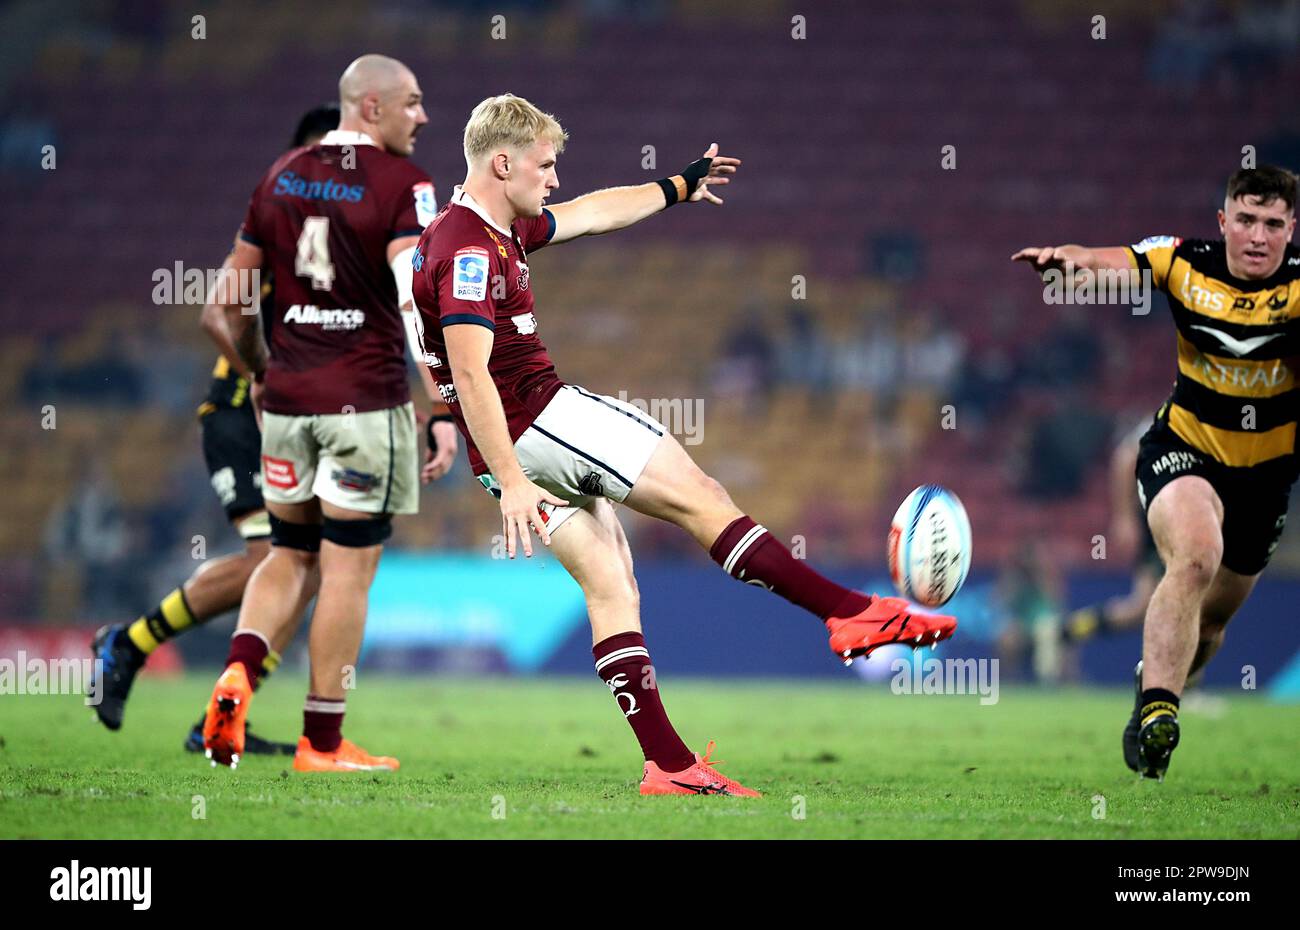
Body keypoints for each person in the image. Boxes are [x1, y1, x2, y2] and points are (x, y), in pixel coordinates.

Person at [411, 94, 957, 797]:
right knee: (705, 498)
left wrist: (675, 187)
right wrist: (517, 480)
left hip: (507, 450)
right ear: (503, 161)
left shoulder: (488, 227)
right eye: (545, 166)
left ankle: (667, 765)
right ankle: (849, 613)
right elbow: (468, 371)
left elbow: (594, 212)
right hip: (542, 420)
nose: (553, 180)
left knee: (611, 586)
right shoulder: (465, 249)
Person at [200, 54, 457, 772]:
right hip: (364, 409)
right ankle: (321, 742)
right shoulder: (407, 186)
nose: (424, 116)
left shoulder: (279, 175)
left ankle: (237, 677)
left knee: (288, 554)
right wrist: (441, 403)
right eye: (412, 102)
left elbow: (221, 308)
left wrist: (258, 369)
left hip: (285, 405)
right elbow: (416, 302)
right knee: (346, 574)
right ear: (370, 107)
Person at [1012, 165, 1300, 779]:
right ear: (1223, 222)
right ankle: (1160, 711)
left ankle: (1156, 685)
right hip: (1184, 450)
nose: (1256, 236)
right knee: (1196, 554)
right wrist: (1071, 261)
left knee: (1213, 626)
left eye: (1272, 224)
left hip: (1266, 478)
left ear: (1290, 229)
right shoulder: (1183, 262)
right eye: (1245, 220)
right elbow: (1114, 260)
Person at [88, 105, 342, 754]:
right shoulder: (280, 225)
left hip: (294, 420)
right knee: (279, 560)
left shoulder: (350, 240)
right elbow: (217, 314)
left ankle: (215, 711)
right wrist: (258, 374)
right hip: (241, 417)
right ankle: (140, 651)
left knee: (304, 569)